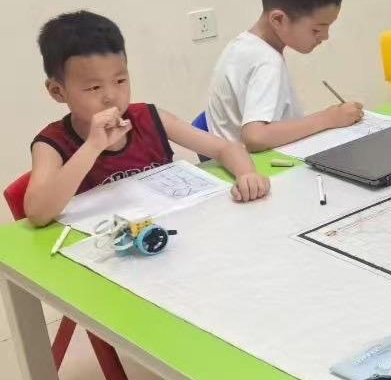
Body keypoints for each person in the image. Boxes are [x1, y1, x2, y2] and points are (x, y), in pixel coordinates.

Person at [24, 11, 269, 225]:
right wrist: (92, 146)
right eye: (94, 88)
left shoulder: (149, 118)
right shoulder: (52, 143)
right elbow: (37, 213)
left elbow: (225, 148)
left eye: (120, 80)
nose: (110, 96)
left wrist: (247, 174)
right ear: (58, 91)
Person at [205, 0, 362, 150]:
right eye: (317, 30)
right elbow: (255, 137)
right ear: (278, 20)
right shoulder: (267, 61)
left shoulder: (241, 45)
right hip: (259, 165)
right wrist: (329, 118)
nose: (325, 37)